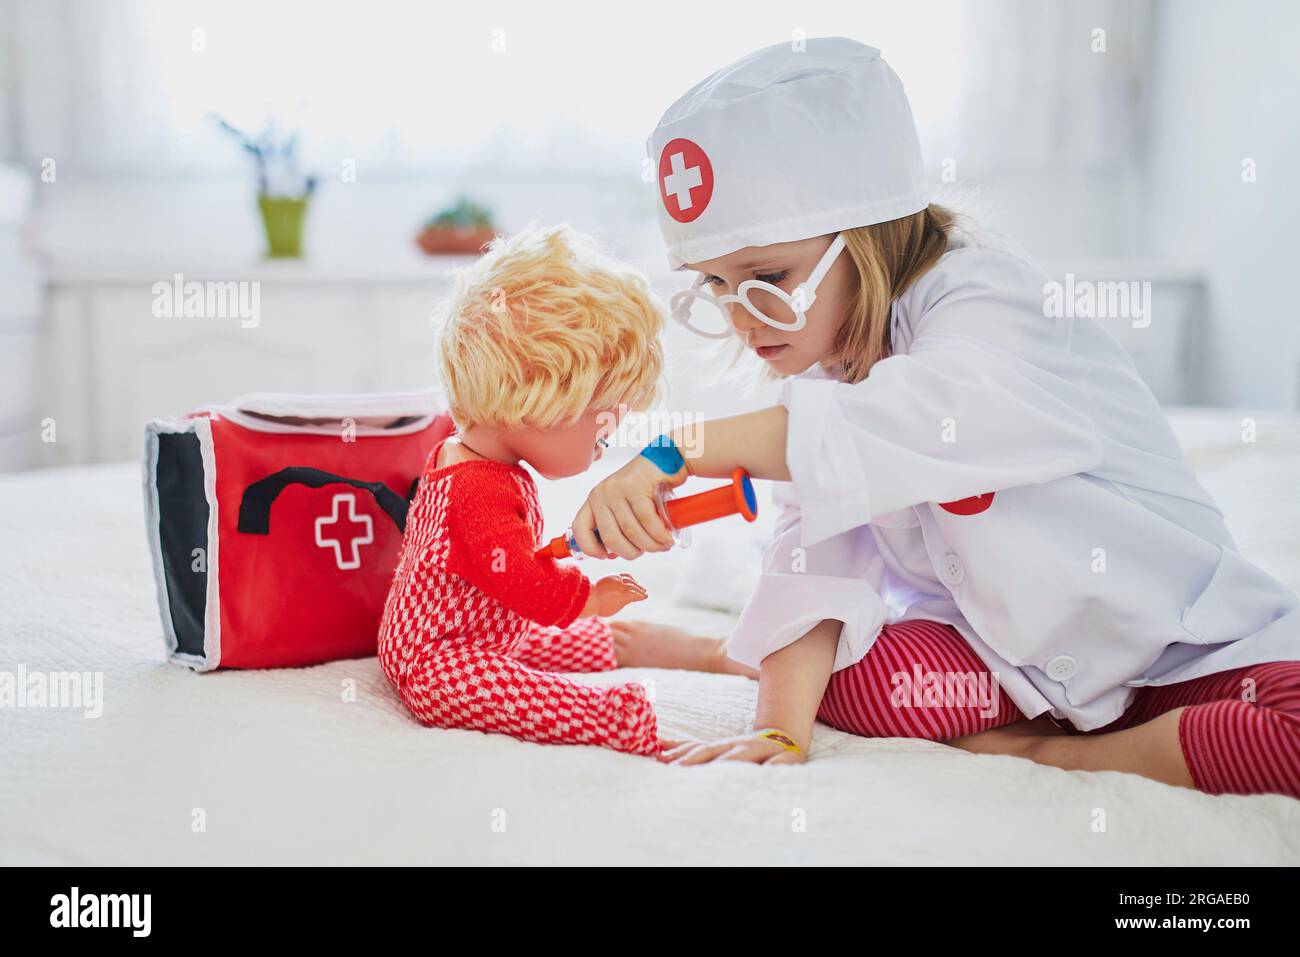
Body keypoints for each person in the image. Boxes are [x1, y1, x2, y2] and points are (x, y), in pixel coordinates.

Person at [574, 38, 1300, 795]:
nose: (739, 316)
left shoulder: (986, 301)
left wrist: (676, 448)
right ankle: (731, 651)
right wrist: (777, 728)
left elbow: (910, 418)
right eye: (714, 286)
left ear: (865, 235)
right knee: (848, 680)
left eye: (766, 278)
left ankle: (1049, 755)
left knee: (1288, 727)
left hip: (1177, 645)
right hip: (1011, 669)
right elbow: (812, 558)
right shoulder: (831, 369)